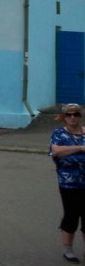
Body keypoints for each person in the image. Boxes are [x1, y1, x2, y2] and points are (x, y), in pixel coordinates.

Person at [52, 103, 85, 262]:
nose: (73, 117)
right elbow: (56, 151)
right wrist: (80, 148)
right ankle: (68, 250)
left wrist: (69, 150)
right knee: (71, 216)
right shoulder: (59, 134)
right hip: (68, 183)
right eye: (69, 115)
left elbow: (63, 151)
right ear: (64, 117)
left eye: (76, 114)